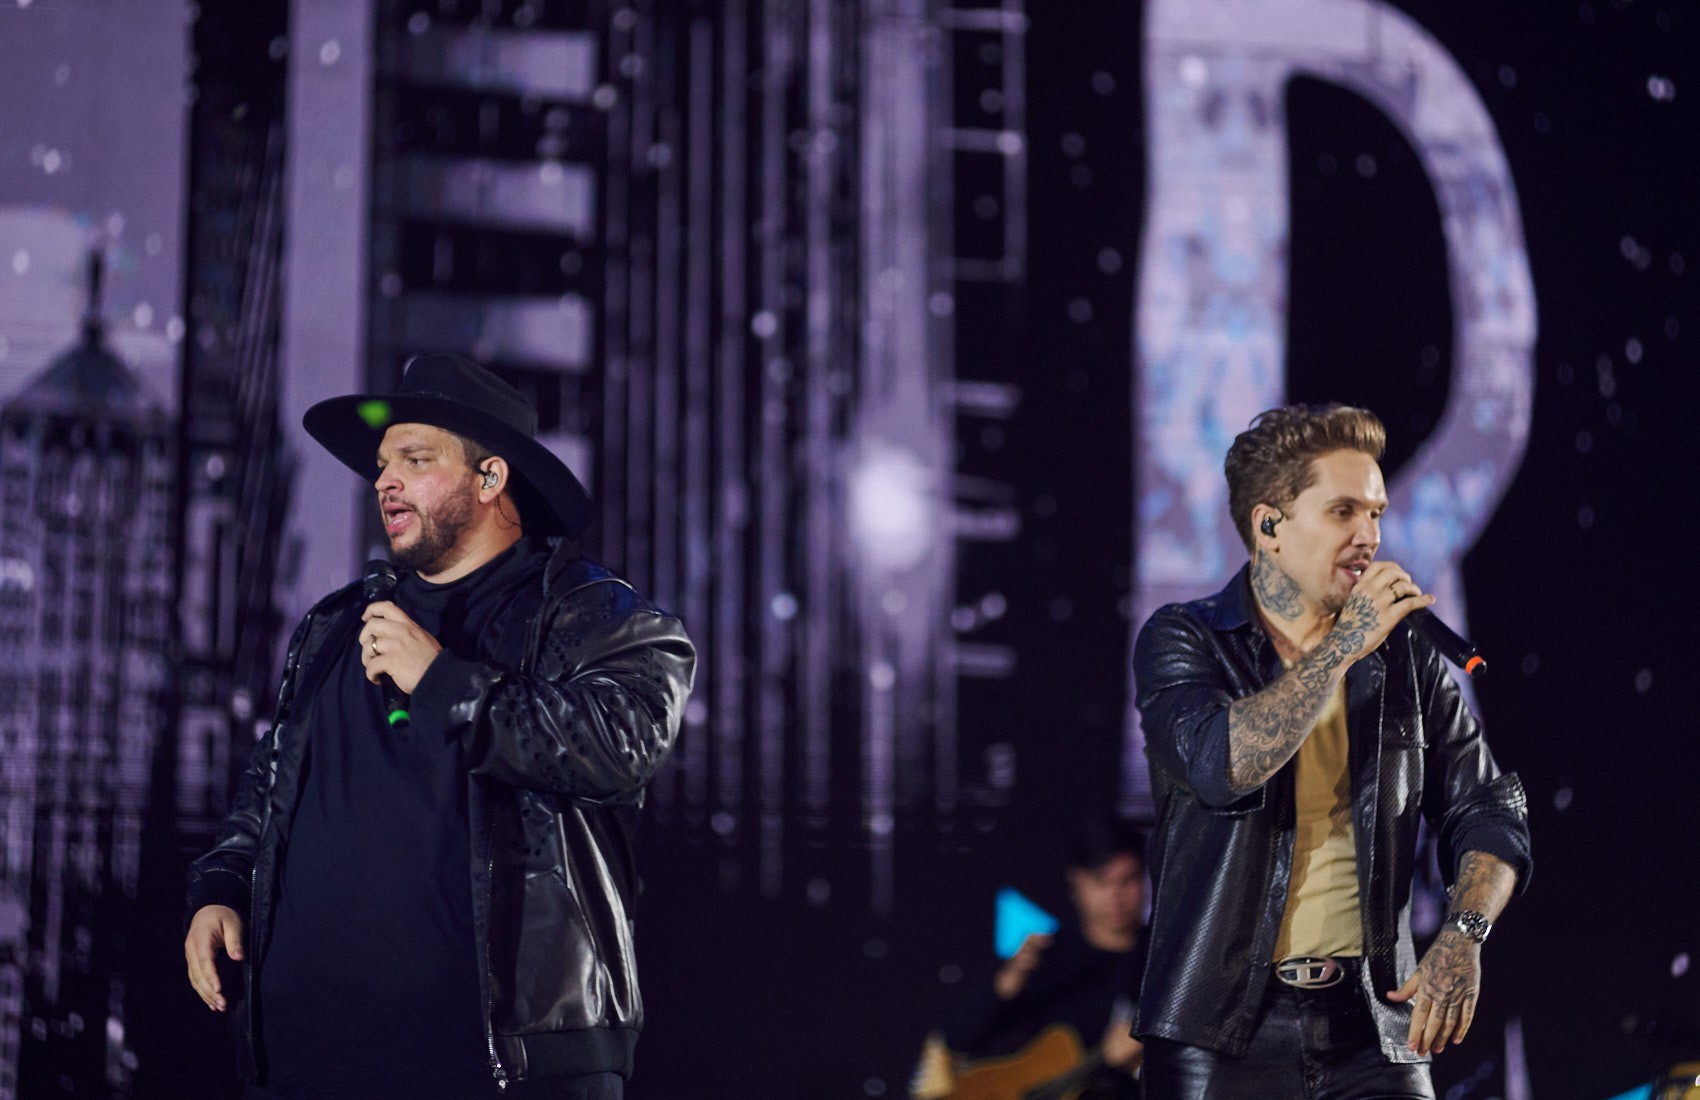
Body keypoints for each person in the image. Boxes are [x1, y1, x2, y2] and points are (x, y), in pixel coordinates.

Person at [182, 354, 696, 1099]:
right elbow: (273, 779)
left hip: (496, 1074)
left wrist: (445, 683)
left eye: (415, 460)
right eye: (383, 463)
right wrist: (223, 883)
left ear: (490, 479)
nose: (385, 480)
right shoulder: (335, 625)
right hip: (309, 1066)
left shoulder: (599, 619)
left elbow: (619, 748)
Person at [1130, 404, 1531, 1098]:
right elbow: (1222, 768)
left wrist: (1465, 933)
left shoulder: (1408, 656)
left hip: (1374, 1028)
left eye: (1375, 513)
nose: (1369, 537)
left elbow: (1488, 808)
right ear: (1270, 526)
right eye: (1344, 511)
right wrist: (1344, 646)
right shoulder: (1185, 639)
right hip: (1220, 1031)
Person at [912, 818, 1149, 1099]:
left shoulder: (1164, 957)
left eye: (1128, 880)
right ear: (1076, 881)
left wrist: (1147, 1055)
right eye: (1101, 882)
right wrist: (1009, 982)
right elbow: (957, 1040)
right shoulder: (1049, 954)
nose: (1116, 896)